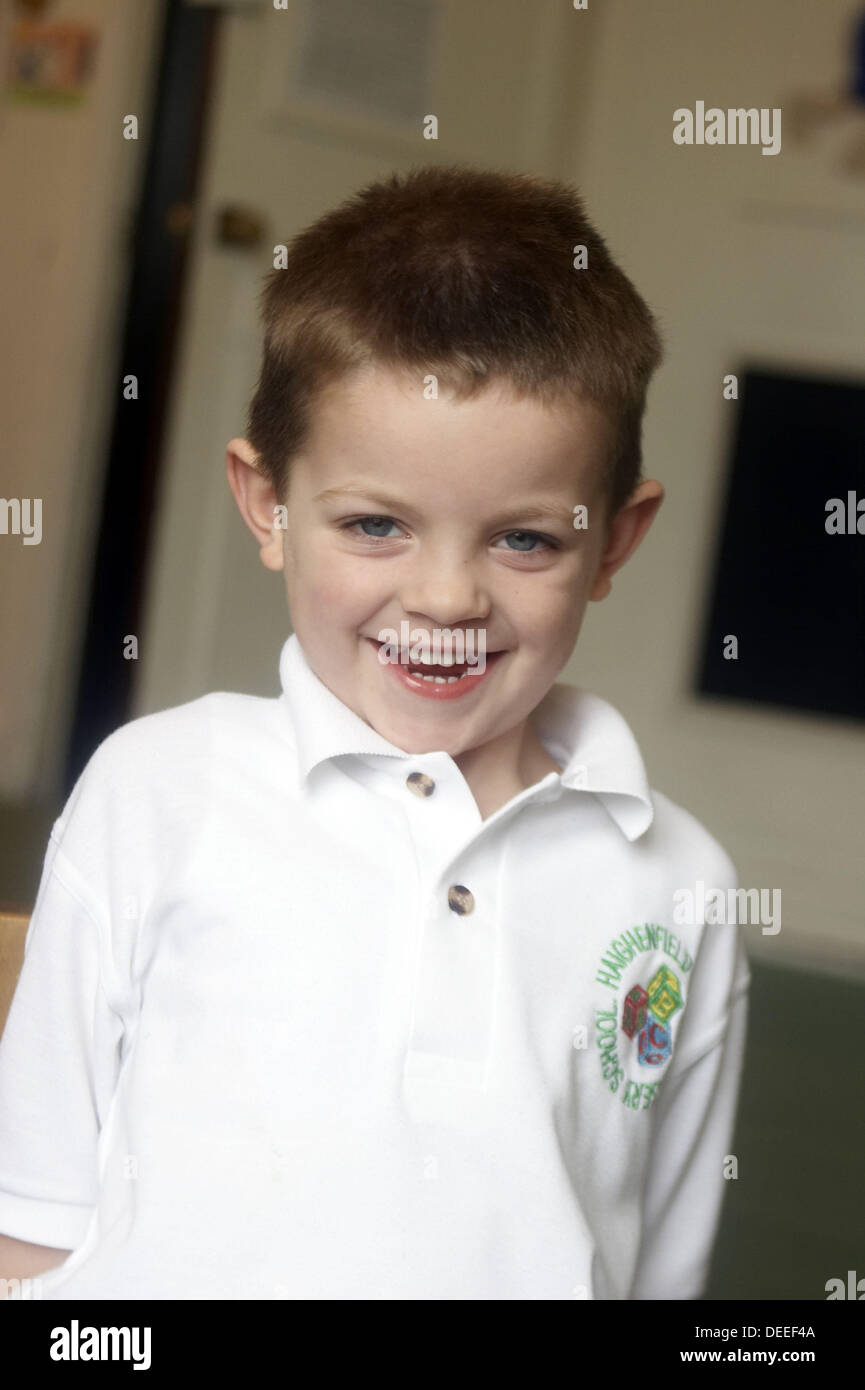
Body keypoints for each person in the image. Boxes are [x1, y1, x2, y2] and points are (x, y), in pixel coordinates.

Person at [0, 165, 749, 1300]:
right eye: (374, 524)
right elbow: (31, 1217)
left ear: (615, 541)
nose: (446, 599)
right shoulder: (158, 792)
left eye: (527, 541)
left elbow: (658, 1272)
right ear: (267, 505)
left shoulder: (680, 885)